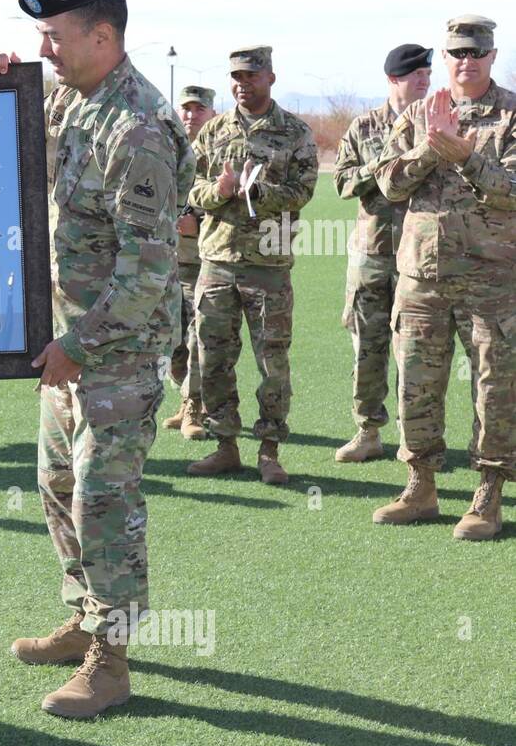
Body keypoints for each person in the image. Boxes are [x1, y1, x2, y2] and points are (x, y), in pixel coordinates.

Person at [0, 0, 193, 718]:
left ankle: (112, 658)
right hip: (69, 343)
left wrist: (81, 344)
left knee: (105, 498)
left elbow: (147, 269)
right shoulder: (76, 99)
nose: (44, 51)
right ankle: (83, 617)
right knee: (59, 486)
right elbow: (18, 158)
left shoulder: (138, 128)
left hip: (116, 351)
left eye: (53, 38)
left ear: (102, 36)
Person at [372, 15, 516, 540]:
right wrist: (430, 149)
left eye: (476, 52)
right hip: (422, 277)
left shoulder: (511, 114)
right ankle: (421, 486)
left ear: (493, 56)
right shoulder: (417, 115)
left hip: (491, 280)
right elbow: (386, 183)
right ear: (446, 56)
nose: (466, 60)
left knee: (495, 389)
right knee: (415, 384)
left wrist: (469, 158)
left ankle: (489, 495)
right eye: (457, 52)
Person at [184, 46, 318, 485]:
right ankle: (225, 445)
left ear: (270, 78)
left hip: (269, 265)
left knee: (271, 363)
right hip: (218, 262)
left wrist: (257, 193)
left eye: (252, 77)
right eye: (237, 78)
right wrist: (220, 190)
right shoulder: (214, 131)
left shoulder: (294, 132)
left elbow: (303, 192)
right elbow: (193, 190)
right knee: (214, 358)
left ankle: (269, 449)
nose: (243, 84)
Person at [332, 45, 432, 463]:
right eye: (416, 75)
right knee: (368, 348)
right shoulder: (365, 126)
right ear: (394, 79)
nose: (425, 81)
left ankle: (416, 440)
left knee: (417, 354)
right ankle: (368, 431)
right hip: (372, 255)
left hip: (420, 257)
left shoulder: (437, 123)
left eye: (428, 73)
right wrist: (379, 166)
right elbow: (341, 181)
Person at [163, 84, 216, 440]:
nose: (191, 115)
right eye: (186, 109)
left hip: (205, 262)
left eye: (199, 109)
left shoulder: (219, 148)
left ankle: (195, 407)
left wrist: (198, 226)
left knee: (200, 339)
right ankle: (185, 398)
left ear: (211, 112)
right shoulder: (169, 148)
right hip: (168, 264)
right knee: (172, 341)